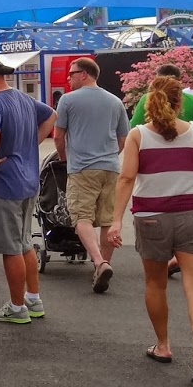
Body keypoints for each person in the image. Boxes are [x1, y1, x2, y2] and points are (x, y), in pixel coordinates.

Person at [114, 75, 193, 385]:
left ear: (150, 100)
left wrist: (115, 221)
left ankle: (163, 345)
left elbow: (125, 179)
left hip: (151, 216)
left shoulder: (138, 136)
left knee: (155, 282)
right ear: (181, 102)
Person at [0, 55, 55, 325]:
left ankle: (17, 307)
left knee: (11, 248)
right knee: (24, 242)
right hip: (28, 180)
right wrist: (31, 143)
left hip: (5, 182)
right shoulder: (23, 98)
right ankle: (33, 298)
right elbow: (51, 115)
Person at [53, 57, 132, 294]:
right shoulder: (115, 101)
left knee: (81, 218)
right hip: (110, 167)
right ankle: (104, 264)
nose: (68, 78)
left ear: (84, 74)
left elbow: (58, 136)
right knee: (107, 219)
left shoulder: (67, 100)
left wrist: (64, 158)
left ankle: (99, 262)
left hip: (82, 168)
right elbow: (122, 139)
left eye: (71, 74)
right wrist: (109, 156)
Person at [129, 64, 193, 135]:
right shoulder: (192, 99)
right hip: (185, 149)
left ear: (157, 79)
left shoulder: (147, 98)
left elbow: (133, 127)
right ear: (179, 80)